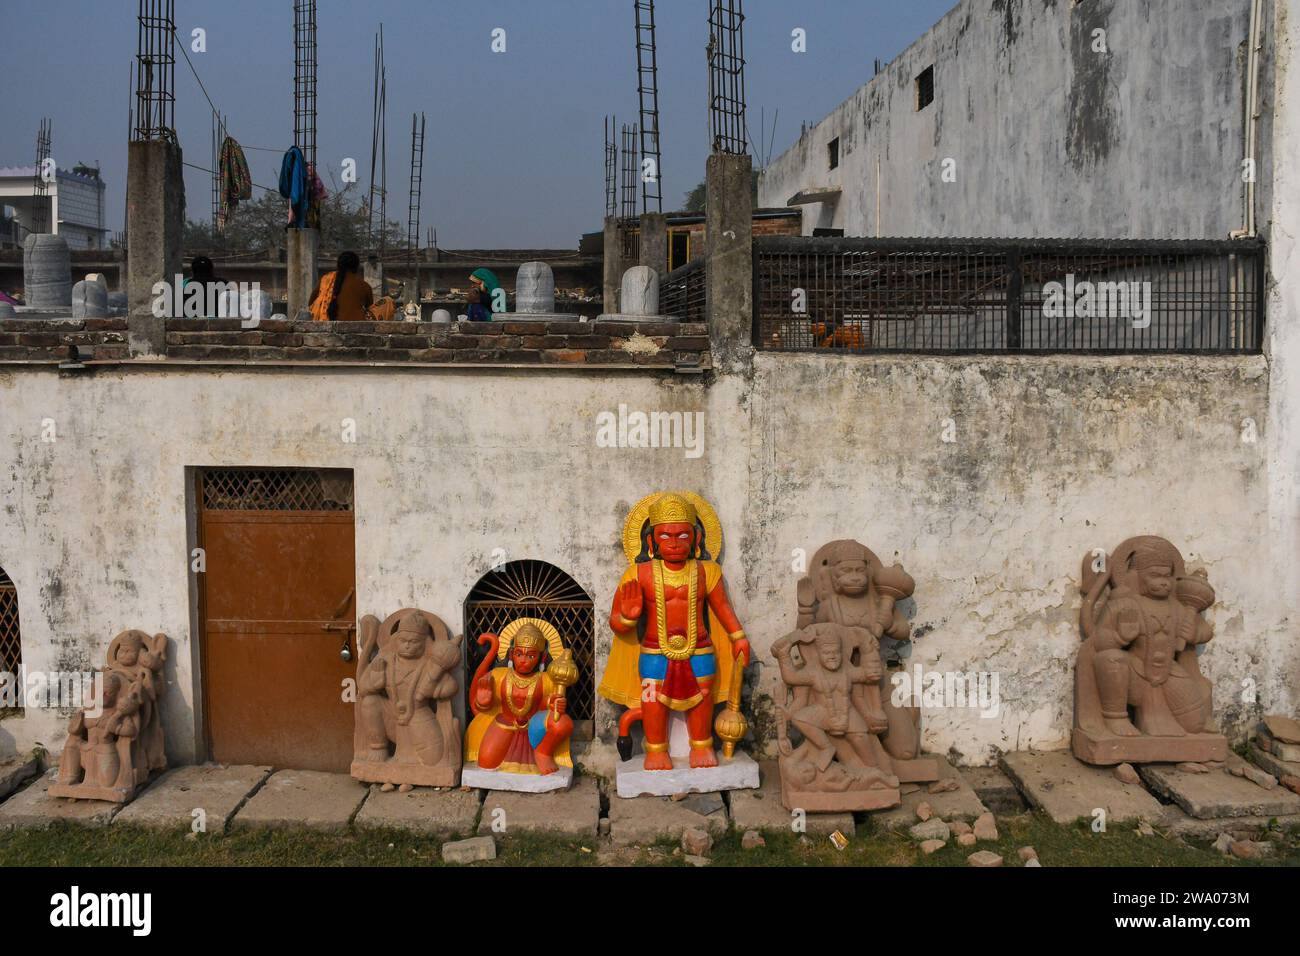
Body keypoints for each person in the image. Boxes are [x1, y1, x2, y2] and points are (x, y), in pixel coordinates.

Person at [310, 251, 374, 321]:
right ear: (356, 267)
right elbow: (371, 311)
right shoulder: (364, 286)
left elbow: (310, 303)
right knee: (387, 302)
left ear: (338, 266)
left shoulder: (326, 279)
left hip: (324, 324)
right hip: (355, 328)